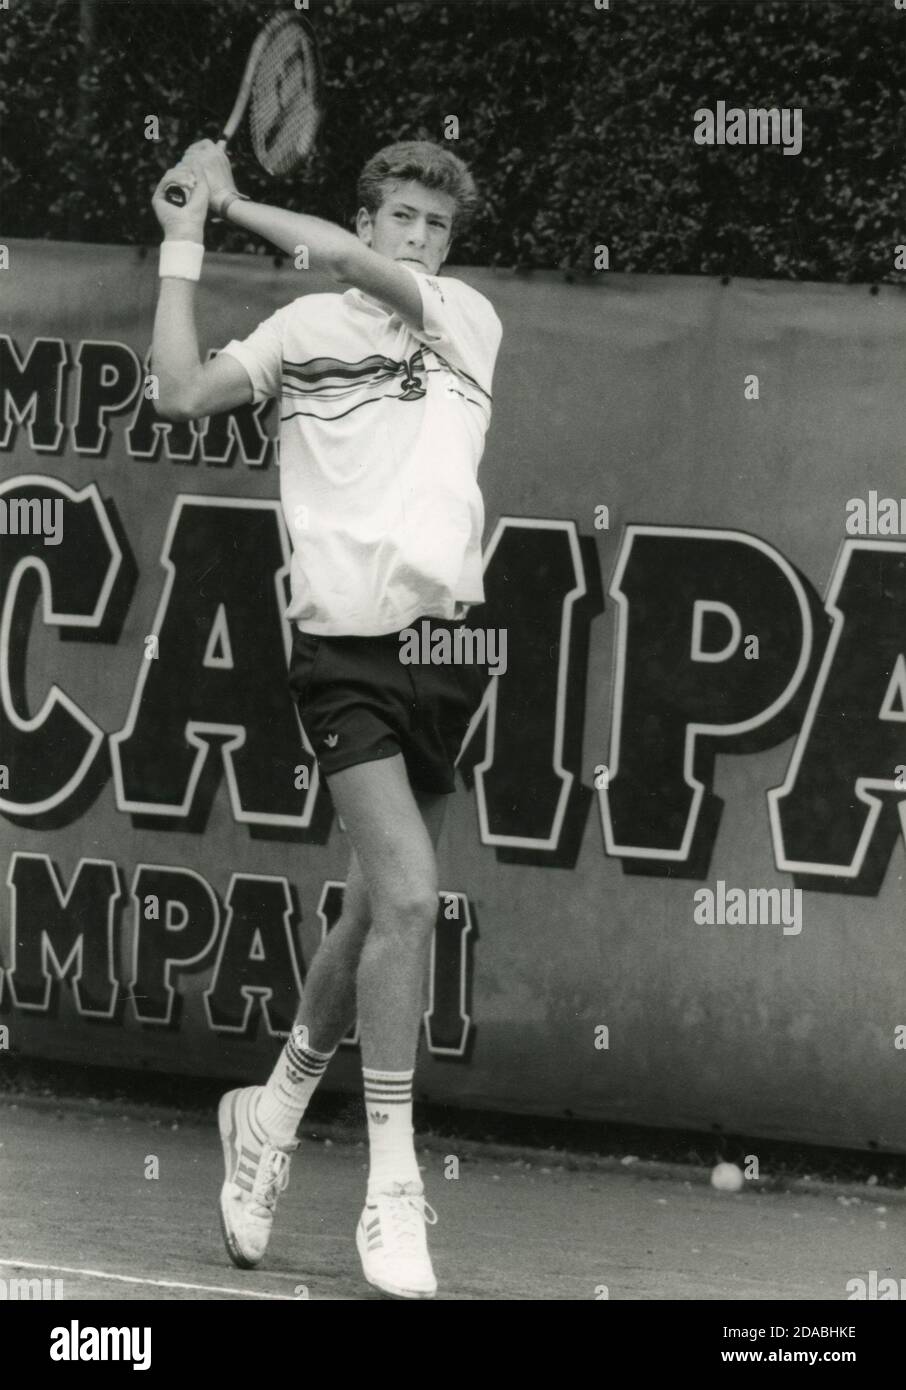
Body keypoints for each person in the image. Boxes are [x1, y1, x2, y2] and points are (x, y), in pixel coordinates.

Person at [151, 138, 502, 1299]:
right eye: (400, 217)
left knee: (369, 917)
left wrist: (232, 191)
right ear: (370, 211)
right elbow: (178, 391)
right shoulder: (305, 334)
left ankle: (273, 1112)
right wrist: (184, 242)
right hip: (343, 655)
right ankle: (394, 1185)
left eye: (434, 227)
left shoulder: (467, 318)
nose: (417, 240)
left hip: (450, 653)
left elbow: (346, 256)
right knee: (406, 895)